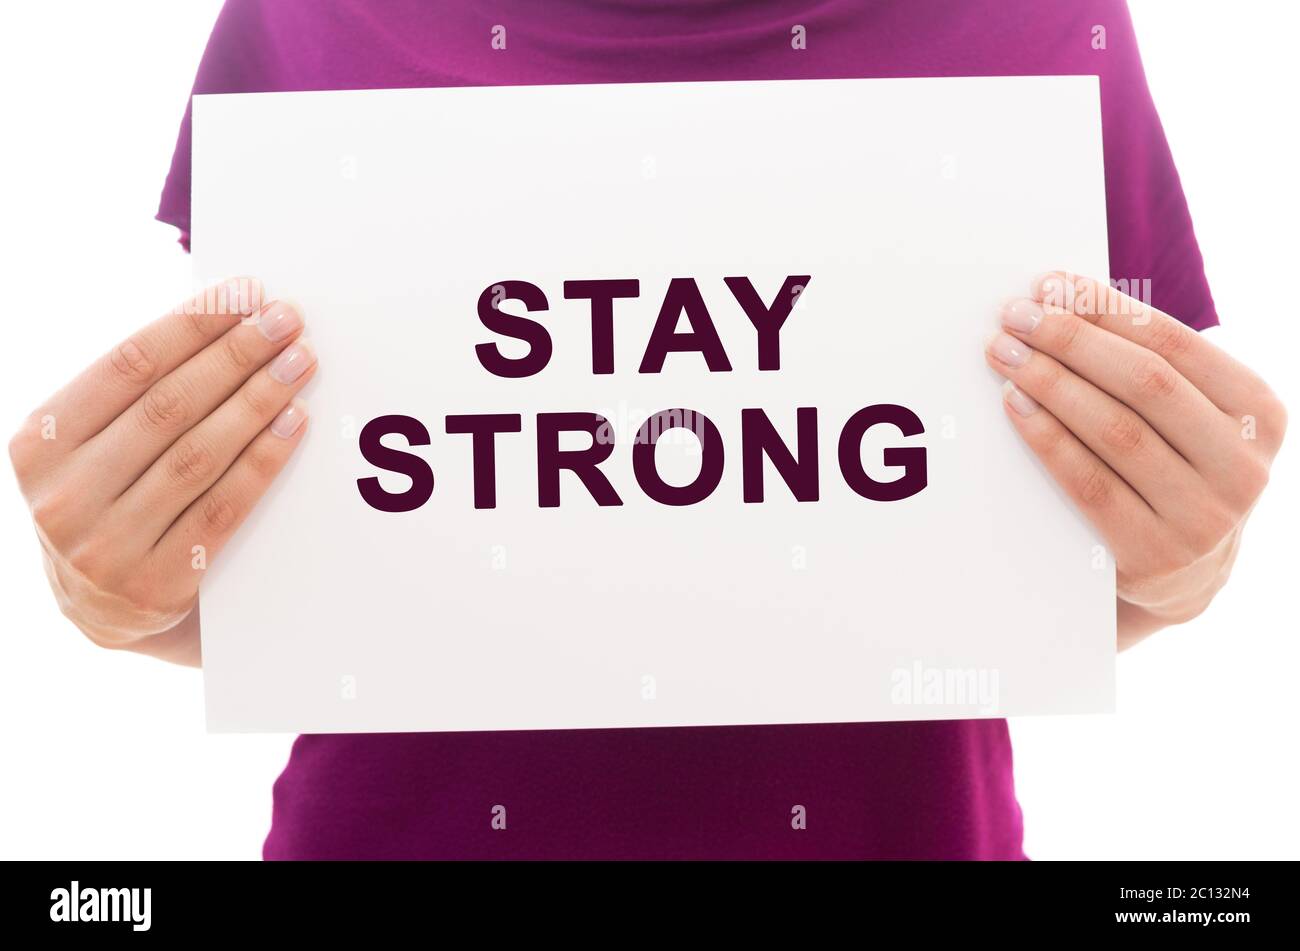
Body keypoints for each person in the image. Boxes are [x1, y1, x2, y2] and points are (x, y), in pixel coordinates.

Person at [8, 0, 1285, 859]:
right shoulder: (305, 14)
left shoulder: (1044, 20)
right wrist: (130, 601)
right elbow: (325, 570)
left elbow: (1023, 571)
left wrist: (1175, 577)